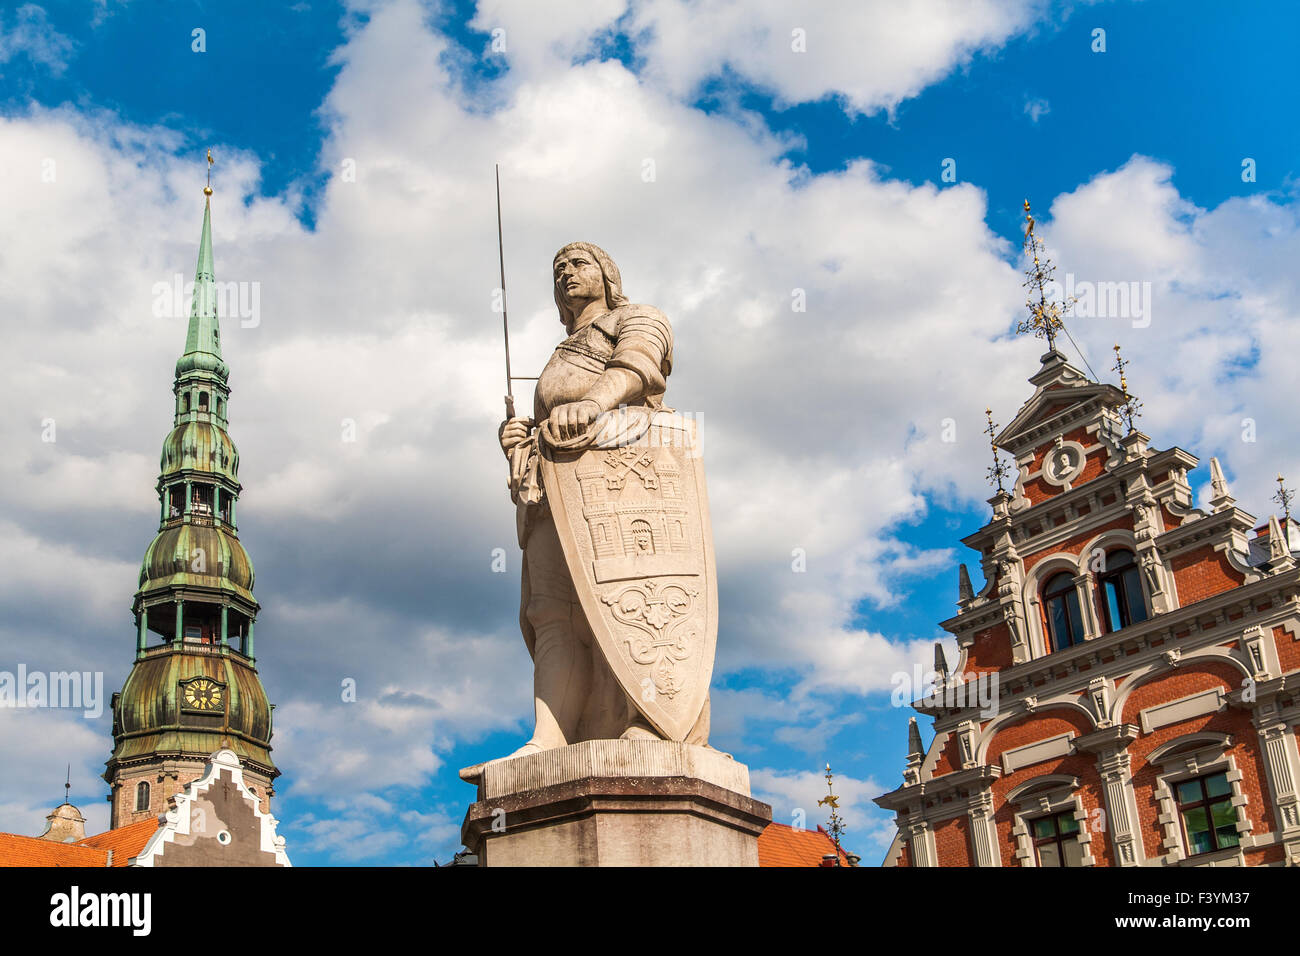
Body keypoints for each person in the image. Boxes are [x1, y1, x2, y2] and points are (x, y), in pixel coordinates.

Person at [498, 241, 707, 755]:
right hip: (555, 477)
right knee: (550, 612)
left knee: (637, 600)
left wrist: (591, 403)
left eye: (579, 263)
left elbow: (638, 367)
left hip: (624, 465)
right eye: (558, 269)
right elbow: (551, 417)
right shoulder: (561, 351)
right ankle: (550, 737)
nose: (567, 273)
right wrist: (519, 442)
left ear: (607, 274)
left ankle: (653, 720)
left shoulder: (638, 316)